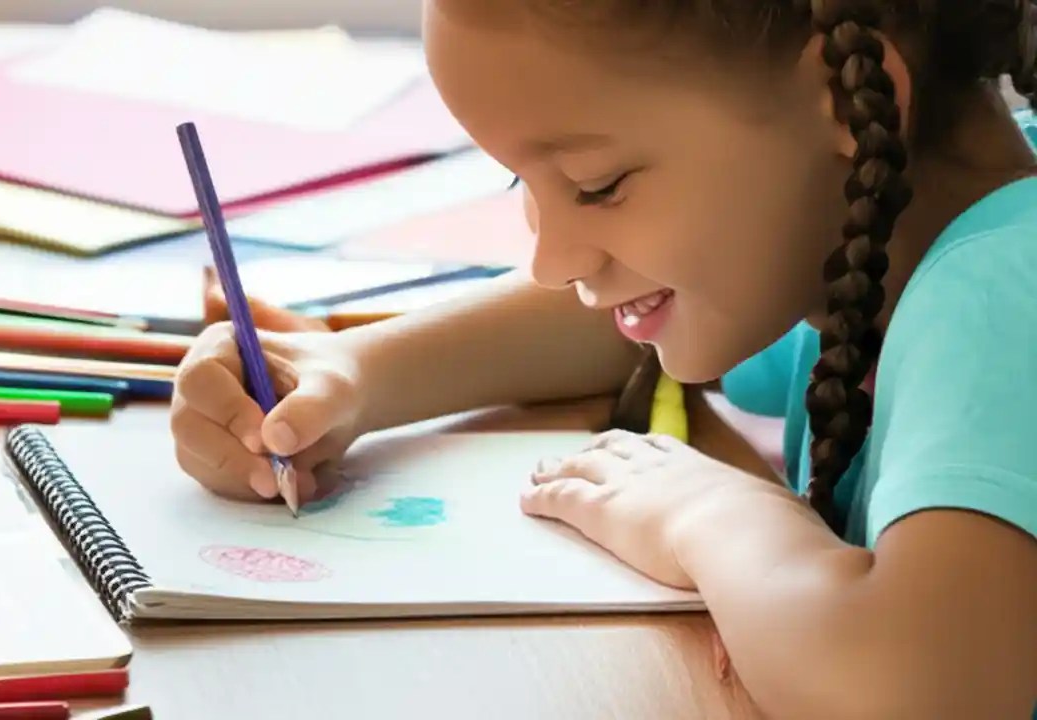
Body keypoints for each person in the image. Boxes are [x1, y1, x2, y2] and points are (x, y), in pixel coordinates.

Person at [171, 1, 1037, 716]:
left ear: (852, 102)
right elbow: (613, 324)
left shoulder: (1001, 295)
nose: (551, 260)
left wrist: (716, 518)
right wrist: (355, 373)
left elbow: (921, 692)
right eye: (522, 184)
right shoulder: (867, 240)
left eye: (596, 186)